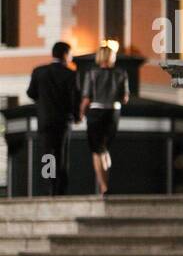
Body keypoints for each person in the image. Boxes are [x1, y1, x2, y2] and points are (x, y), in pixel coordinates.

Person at [26, 42, 81, 195]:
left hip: (44, 119)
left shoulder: (39, 71)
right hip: (62, 121)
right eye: (70, 54)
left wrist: (44, 100)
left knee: (47, 155)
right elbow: (74, 99)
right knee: (61, 154)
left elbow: (31, 93)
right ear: (65, 54)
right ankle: (59, 189)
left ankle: (48, 186)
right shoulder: (70, 74)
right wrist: (77, 116)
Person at [80, 45, 130, 196]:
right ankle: (106, 182)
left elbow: (87, 98)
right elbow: (125, 98)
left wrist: (81, 113)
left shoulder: (92, 73)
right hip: (113, 112)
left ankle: (103, 186)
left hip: (95, 112)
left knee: (96, 151)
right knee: (104, 148)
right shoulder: (121, 73)